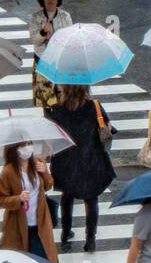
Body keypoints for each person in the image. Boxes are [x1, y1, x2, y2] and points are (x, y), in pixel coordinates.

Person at [45, 84, 115, 253]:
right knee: (91, 199)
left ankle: (65, 232)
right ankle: (90, 239)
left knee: (67, 196)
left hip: (65, 160)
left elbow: (50, 132)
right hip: (90, 159)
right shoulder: (94, 106)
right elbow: (107, 128)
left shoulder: (56, 109)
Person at [0, 142, 59, 263]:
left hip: (39, 225)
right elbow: (0, 198)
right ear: (14, 149)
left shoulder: (37, 163)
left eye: (29, 143)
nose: (28, 148)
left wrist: (44, 171)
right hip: (17, 227)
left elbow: (48, 185)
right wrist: (18, 199)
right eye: (23, 145)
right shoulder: (8, 171)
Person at [29, 0, 72, 108]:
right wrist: (43, 32)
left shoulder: (65, 16)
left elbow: (70, 39)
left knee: (63, 100)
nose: (50, 0)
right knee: (47, 102)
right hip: (43, 64)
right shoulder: (36, 17)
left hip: (61, 64)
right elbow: (34, 40)